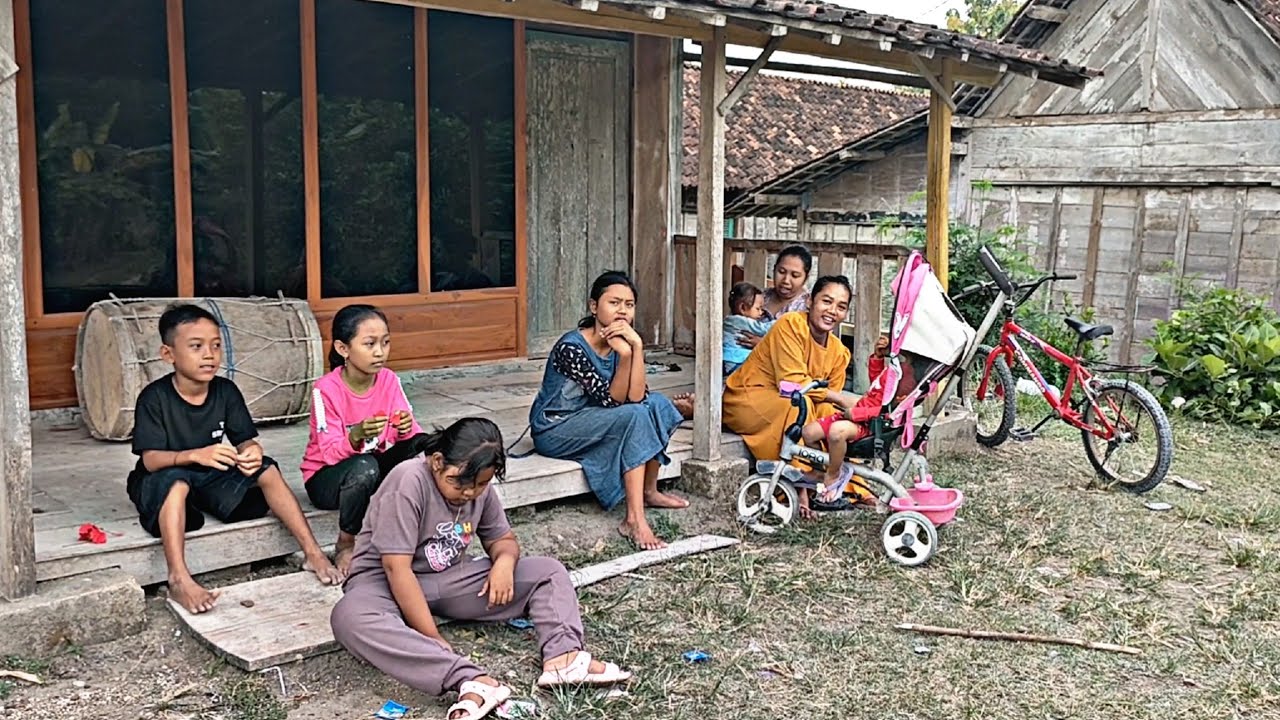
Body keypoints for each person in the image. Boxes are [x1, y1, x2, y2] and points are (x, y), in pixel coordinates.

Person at [330, 418, 632, 720]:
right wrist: (431, 636)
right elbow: (397, 569)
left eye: (481, 484)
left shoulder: (477, 485)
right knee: (348, 617)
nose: (469, 493)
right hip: (382, 582)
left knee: (548, 572)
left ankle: (563, 657)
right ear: (437, 462)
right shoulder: (407, 480)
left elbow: (503, 539)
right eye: (459, 482)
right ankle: (470, 679)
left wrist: (503, 562)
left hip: (447, 579)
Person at [127, 304, 342, 615]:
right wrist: (194, 455)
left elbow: (246, 440)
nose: (209, 355)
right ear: (168, 354)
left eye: (216, 346)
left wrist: (251, 452)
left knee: (266, 468)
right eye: (196, 346)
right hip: (163, 476)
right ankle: (178, 579)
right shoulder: (154, 397)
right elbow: (150, 461)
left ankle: (312, 552)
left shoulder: (225, 391)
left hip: (209, 473)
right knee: (176, 481)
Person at [529, 270, 692, 551]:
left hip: (595, 419)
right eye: (614, 303)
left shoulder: (623, 342)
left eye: (629, 305)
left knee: (659, 405)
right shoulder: (572, 347)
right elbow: (613, 402)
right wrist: (626, 356)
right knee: (636, 414)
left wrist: (636, 348)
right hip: (557, 428)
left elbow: (639, 396)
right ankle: (634, 519)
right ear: (594, 307)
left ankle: (649, 490)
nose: (622, 311)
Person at [717, 276, 874, 519]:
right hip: (749, 396)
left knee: (829, 416)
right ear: (810, 301)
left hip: (799, 402)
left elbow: (824, 402)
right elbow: (792, 384)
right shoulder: (790, 325)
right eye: (826, 301)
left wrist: (838, 405)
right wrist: (843, 399)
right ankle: (799, 488)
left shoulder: (839, 352)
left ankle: (853, 485)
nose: (832, 311)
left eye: (841, 306)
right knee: (794, 407)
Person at [301, 304, 427, 575]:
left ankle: (419, 523)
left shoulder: (389, 380)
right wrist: (355, 436)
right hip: (327, 479)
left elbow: (411, 433)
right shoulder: (325, 390)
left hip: (370, 470)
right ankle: (346, 542)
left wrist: (405, 429)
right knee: (364, 465)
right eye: (369, 344)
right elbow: (330, 453)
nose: (380, 352)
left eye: (385, 342)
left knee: (425, 444)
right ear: (342, 349)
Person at [731, 245, 814, 353]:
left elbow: (808, 348)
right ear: (774, 269)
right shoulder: (759, 297)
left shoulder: (808, 308)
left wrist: (765, 344)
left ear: (806, 278)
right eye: (781, 272)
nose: (786, 280)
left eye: (795, 275)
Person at [723, 281, 775, 376]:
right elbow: (763, 329)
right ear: (743, 308)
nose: (761, 313)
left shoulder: (729, 320)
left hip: (730, 359)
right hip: (738, 359)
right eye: (758, 309)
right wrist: (781, 321)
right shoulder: (740, 321)